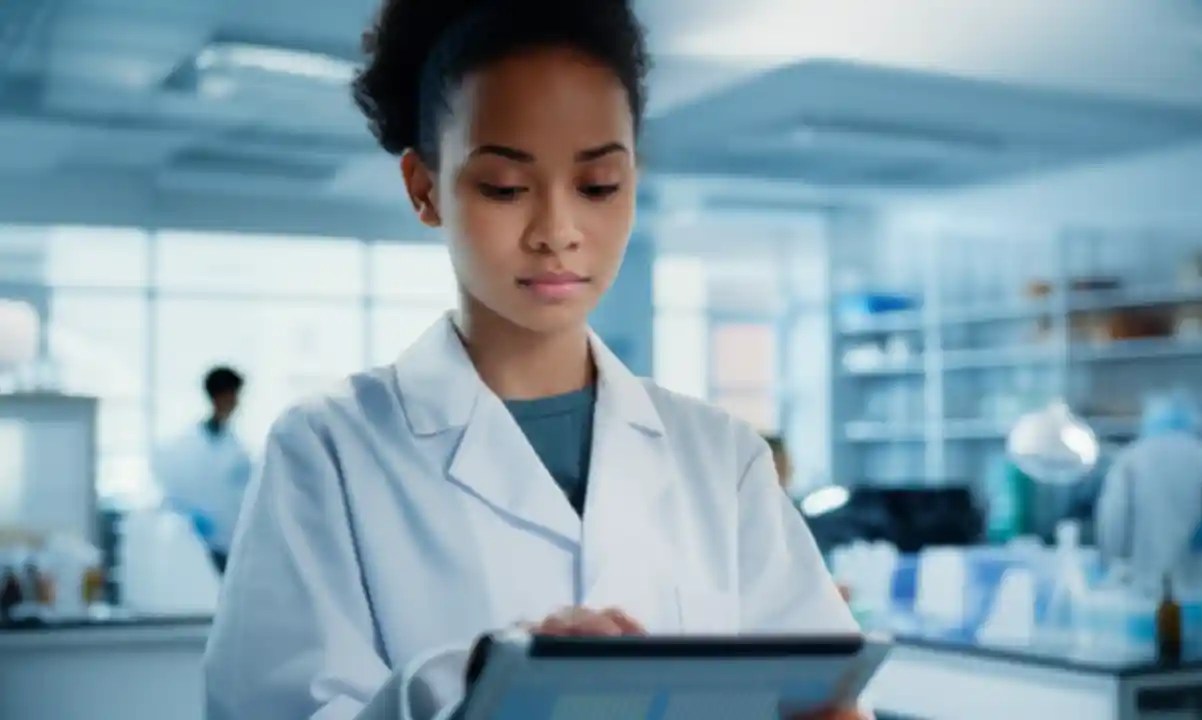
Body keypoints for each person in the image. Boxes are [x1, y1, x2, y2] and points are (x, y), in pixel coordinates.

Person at [204, 2, 866, 719]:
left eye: (598, 185)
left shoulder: (721, 458)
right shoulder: (328, 450)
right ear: (424, 188)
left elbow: (822, 691)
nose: (557, 231)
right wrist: (481, 687)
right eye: (505, 187)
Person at [1096, 392, 1202, 588]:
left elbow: (1112, 518)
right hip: (1191, 572)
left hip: (1143, 576)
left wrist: (1112, 559)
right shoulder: (1199, 451)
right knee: (1186, 598)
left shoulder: (1131, 457)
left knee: (1153, 598)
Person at [153, 366, 252, 574]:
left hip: (227, 543)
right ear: (219, 396)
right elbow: (174, 490)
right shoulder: (185, 446)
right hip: (192, 544)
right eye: (233, 395)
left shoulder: (237, 449)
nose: (236, 402)